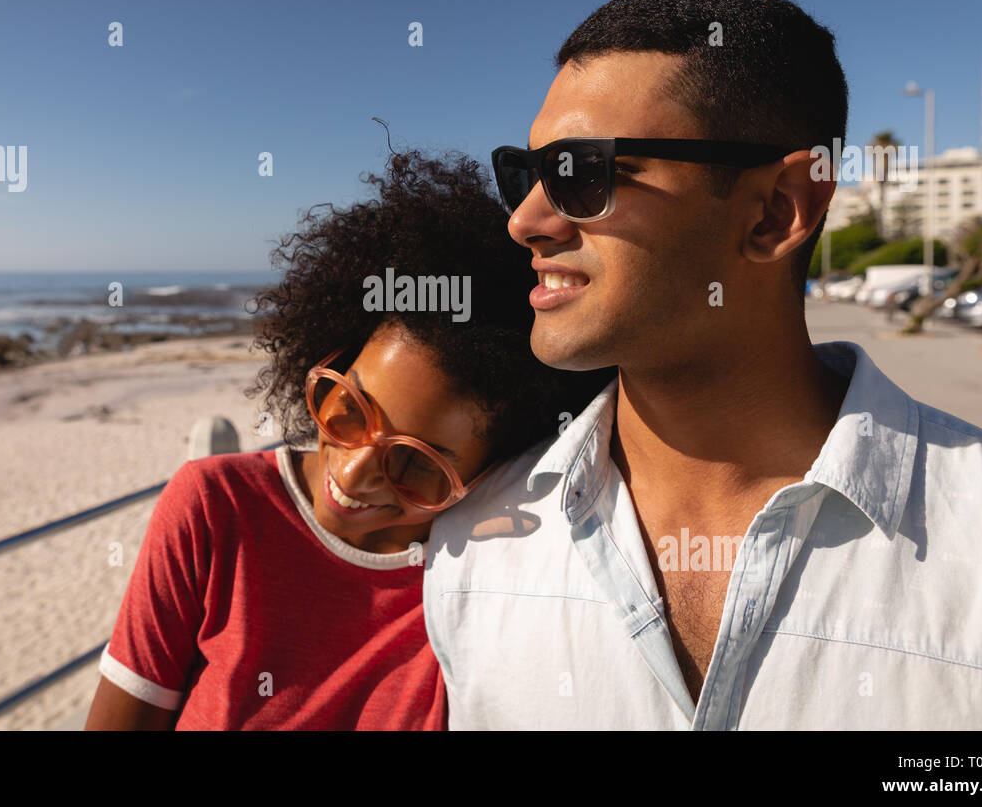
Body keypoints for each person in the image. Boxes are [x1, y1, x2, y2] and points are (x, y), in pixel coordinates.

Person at [424, 0, 982, 729]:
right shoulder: (476, 546)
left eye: (580, 173)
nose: (527, 220)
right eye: (524, 175)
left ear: (777, 211)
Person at [83, 148, 609, 729]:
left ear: (488, 474)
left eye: (413, 463)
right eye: (352, 408)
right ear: (333, 353)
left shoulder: (475, 578)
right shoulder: (214, 507)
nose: (355, 473)